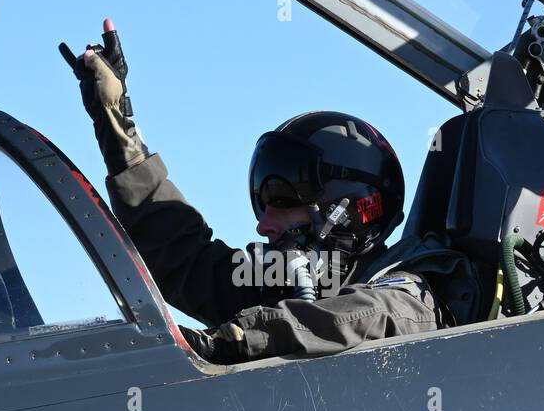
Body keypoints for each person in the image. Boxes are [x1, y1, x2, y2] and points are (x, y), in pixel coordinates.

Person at [60, 20, 479, 364]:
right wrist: (116, 127)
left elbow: (369, 315)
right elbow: (183, 260)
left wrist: (234, 340)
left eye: (281, 200)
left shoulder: (413, 290)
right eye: (261, 202)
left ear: (345, 211)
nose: (263, 224)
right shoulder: (283, 283)